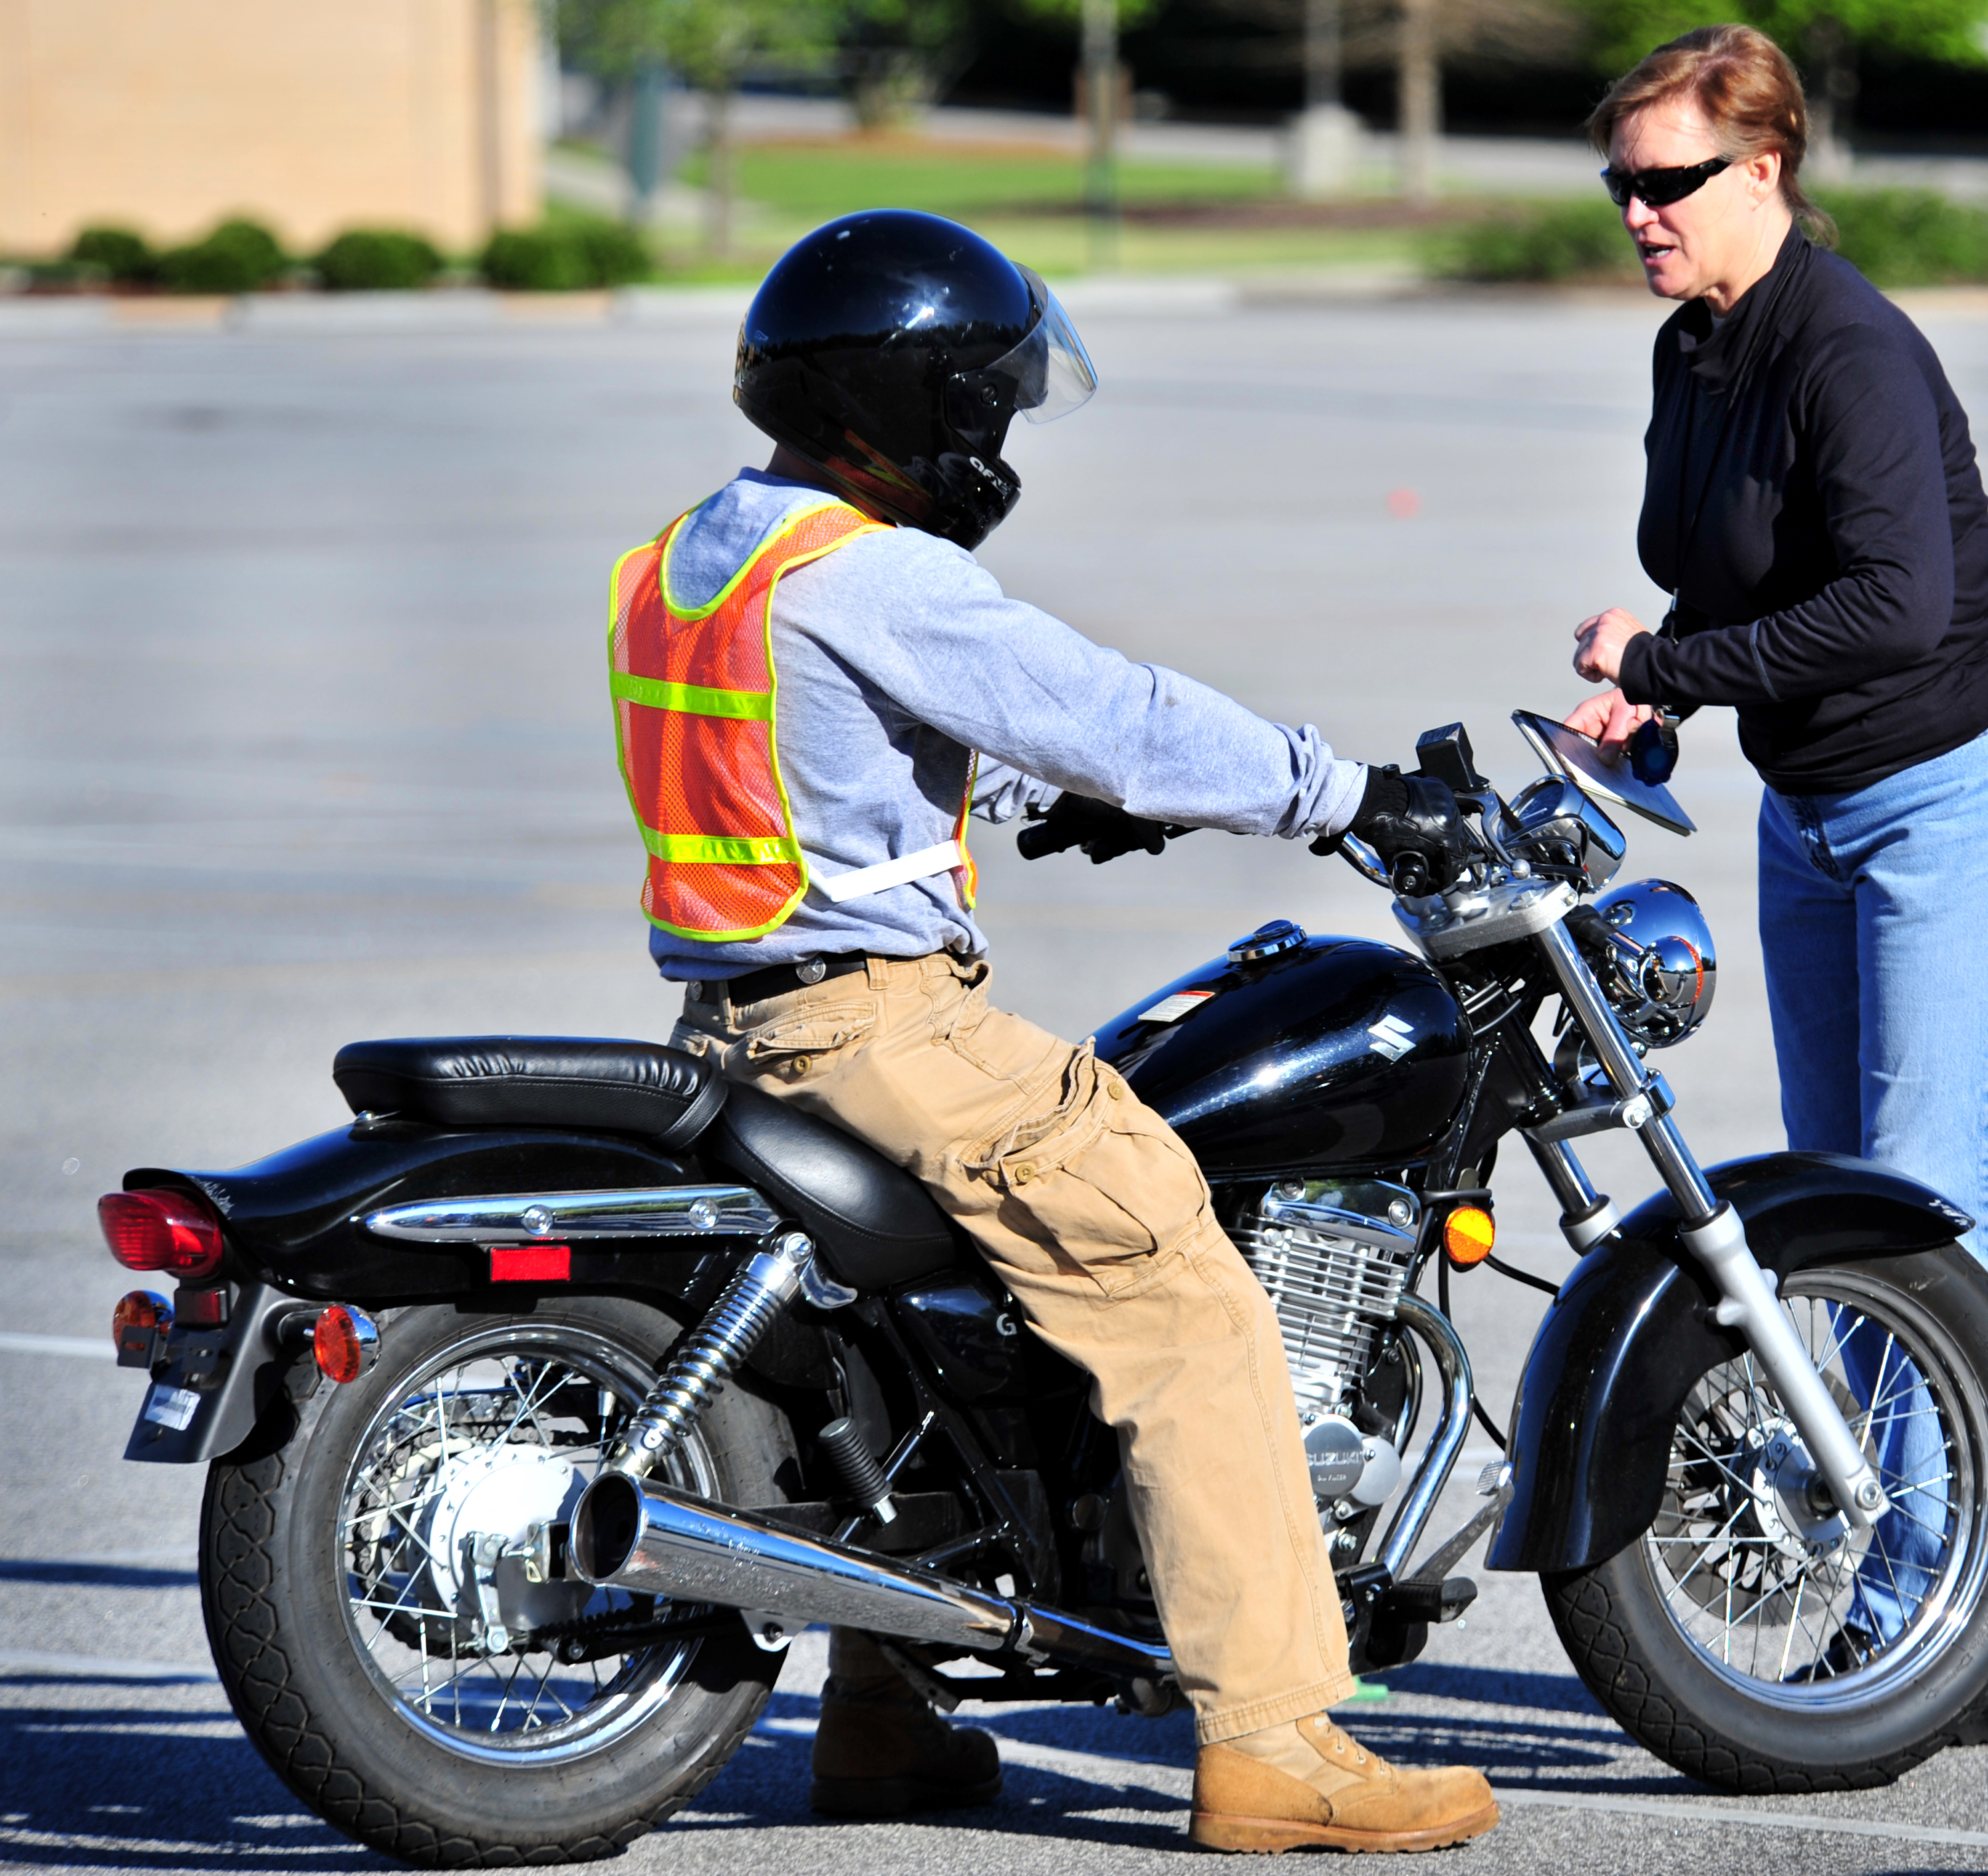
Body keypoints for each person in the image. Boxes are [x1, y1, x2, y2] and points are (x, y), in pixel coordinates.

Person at [607, 207, 1498, 1853]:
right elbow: (1116, 714)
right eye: (988, 405)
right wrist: (1348, 791)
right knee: (1185, 1292)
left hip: (728, 1032)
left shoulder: (693, 559)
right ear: (921, 401)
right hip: (884, 1035)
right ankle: (1279, 1744)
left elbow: (812, 760)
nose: (1001, 438)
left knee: (910, 1349)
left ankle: (883, 1710)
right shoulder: (878, 572)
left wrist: (1022, 793)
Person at [1562, 25, 1988, 1724]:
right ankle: (1916, 1584)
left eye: (1670, 181)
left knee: (1928, 1208)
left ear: (1764, 170)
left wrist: (1672, 661)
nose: (1640, 212)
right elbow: (1736, 590)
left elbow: (1891, 606)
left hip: (1955, 798)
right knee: (1834, 1207)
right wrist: (1654, 700)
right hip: (1812, 807)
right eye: (1620, 183)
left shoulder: (1845, 346)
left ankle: (1946, 1618)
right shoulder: (1693, 350)